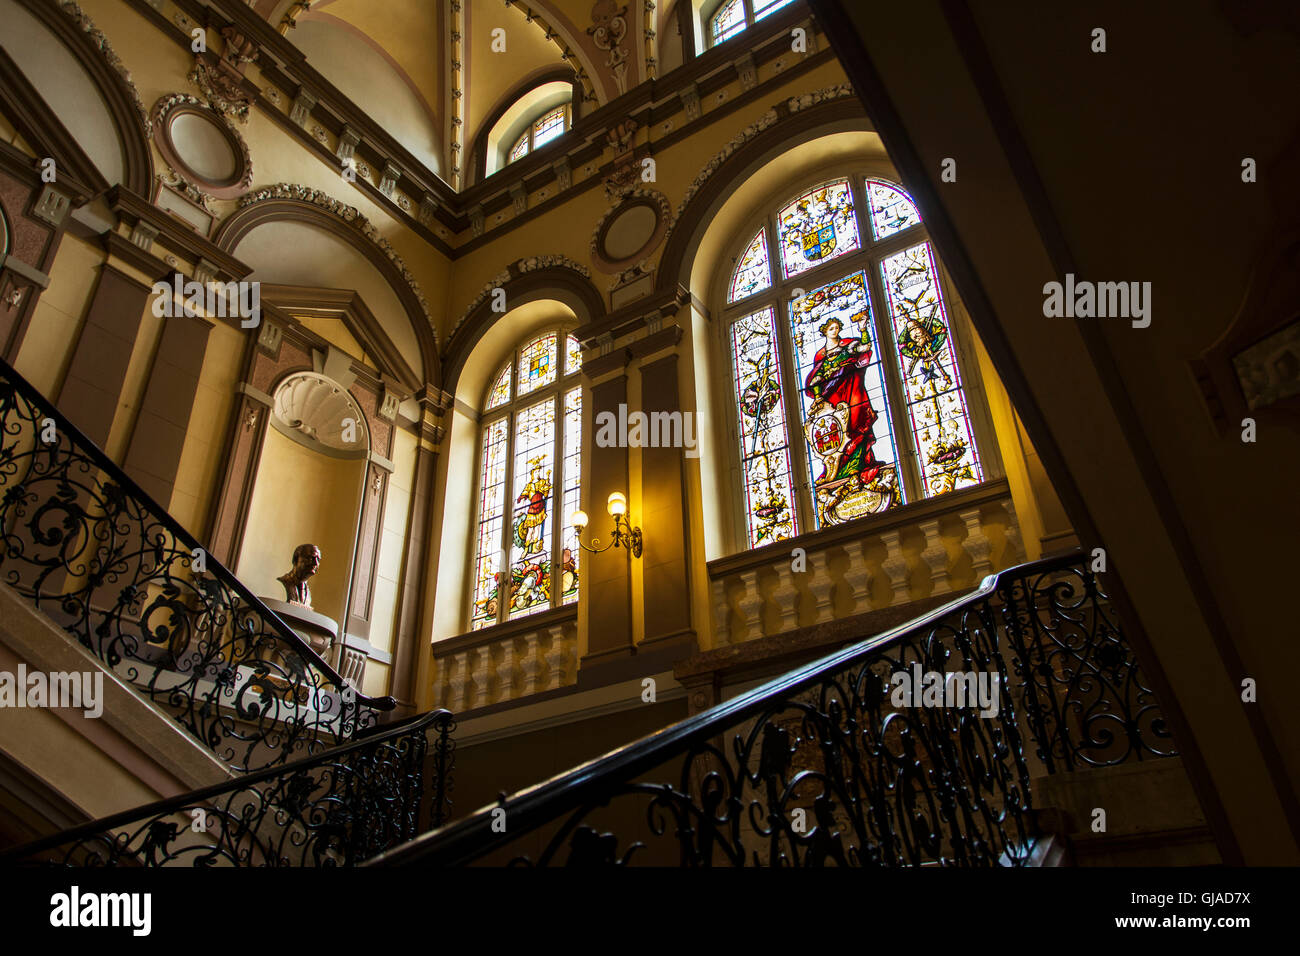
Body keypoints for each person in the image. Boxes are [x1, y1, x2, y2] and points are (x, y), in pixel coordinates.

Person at [803, 317, 882, 486]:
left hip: (852, 390)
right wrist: (818, 395)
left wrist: (863, 330)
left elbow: (865, 348)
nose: (836, 331)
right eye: (832, 328)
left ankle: (860, 464)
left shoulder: (847, 347)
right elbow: (815, 379)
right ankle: (837, 470)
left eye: (838, 328)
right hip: (832, 398)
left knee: (856, 424)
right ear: (825, 331)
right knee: (835, 432)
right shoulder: (821, 356)